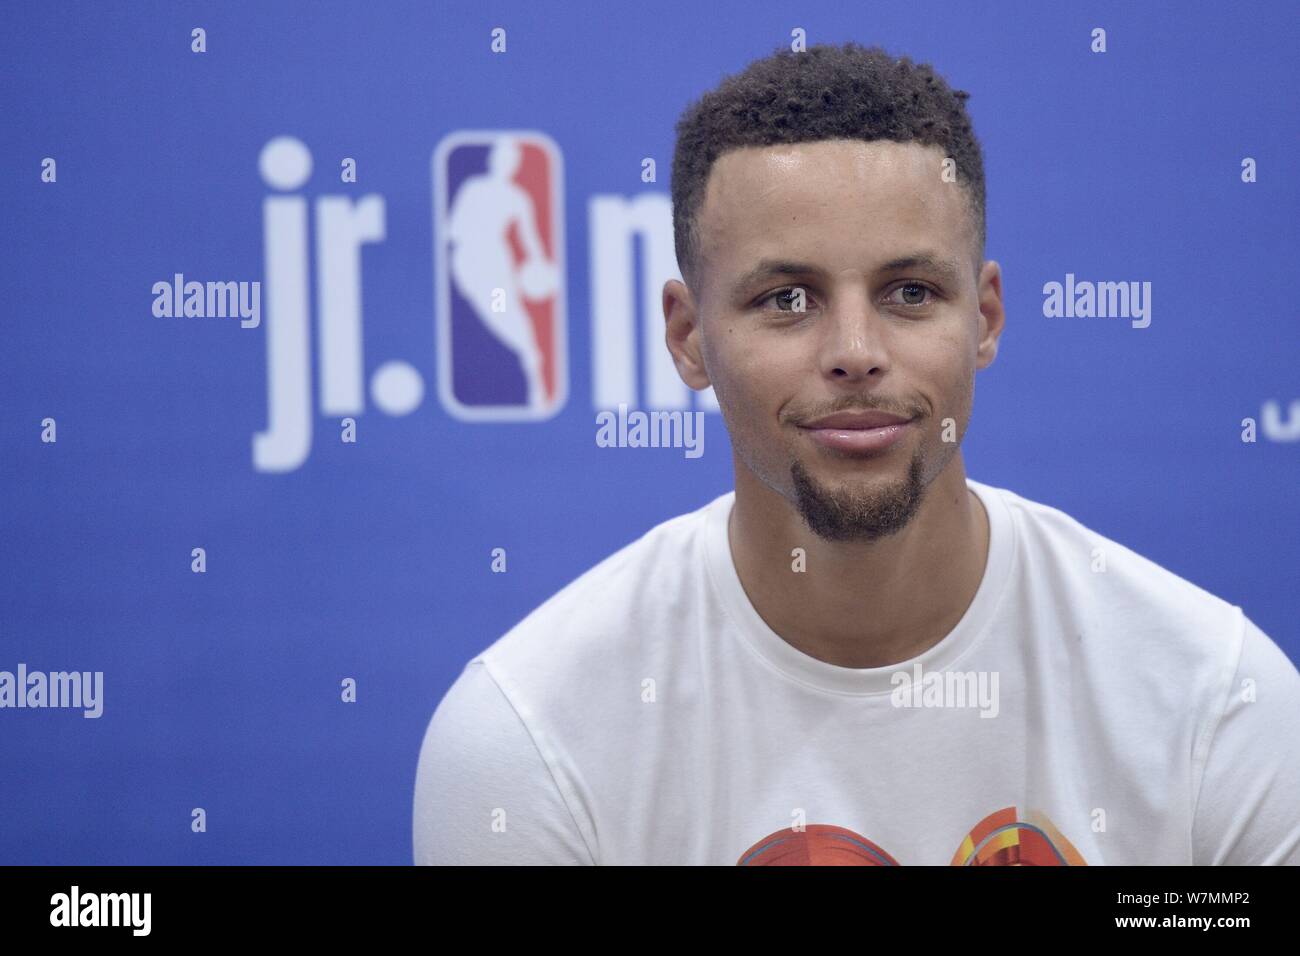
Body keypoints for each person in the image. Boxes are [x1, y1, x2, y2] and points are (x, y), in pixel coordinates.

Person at [413, 42, 1300, 865]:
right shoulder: (529, 737)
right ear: (688, 339)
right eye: (787, 299)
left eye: (909, 292)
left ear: (984, 319)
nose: (855, 349)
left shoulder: (1214, 703)